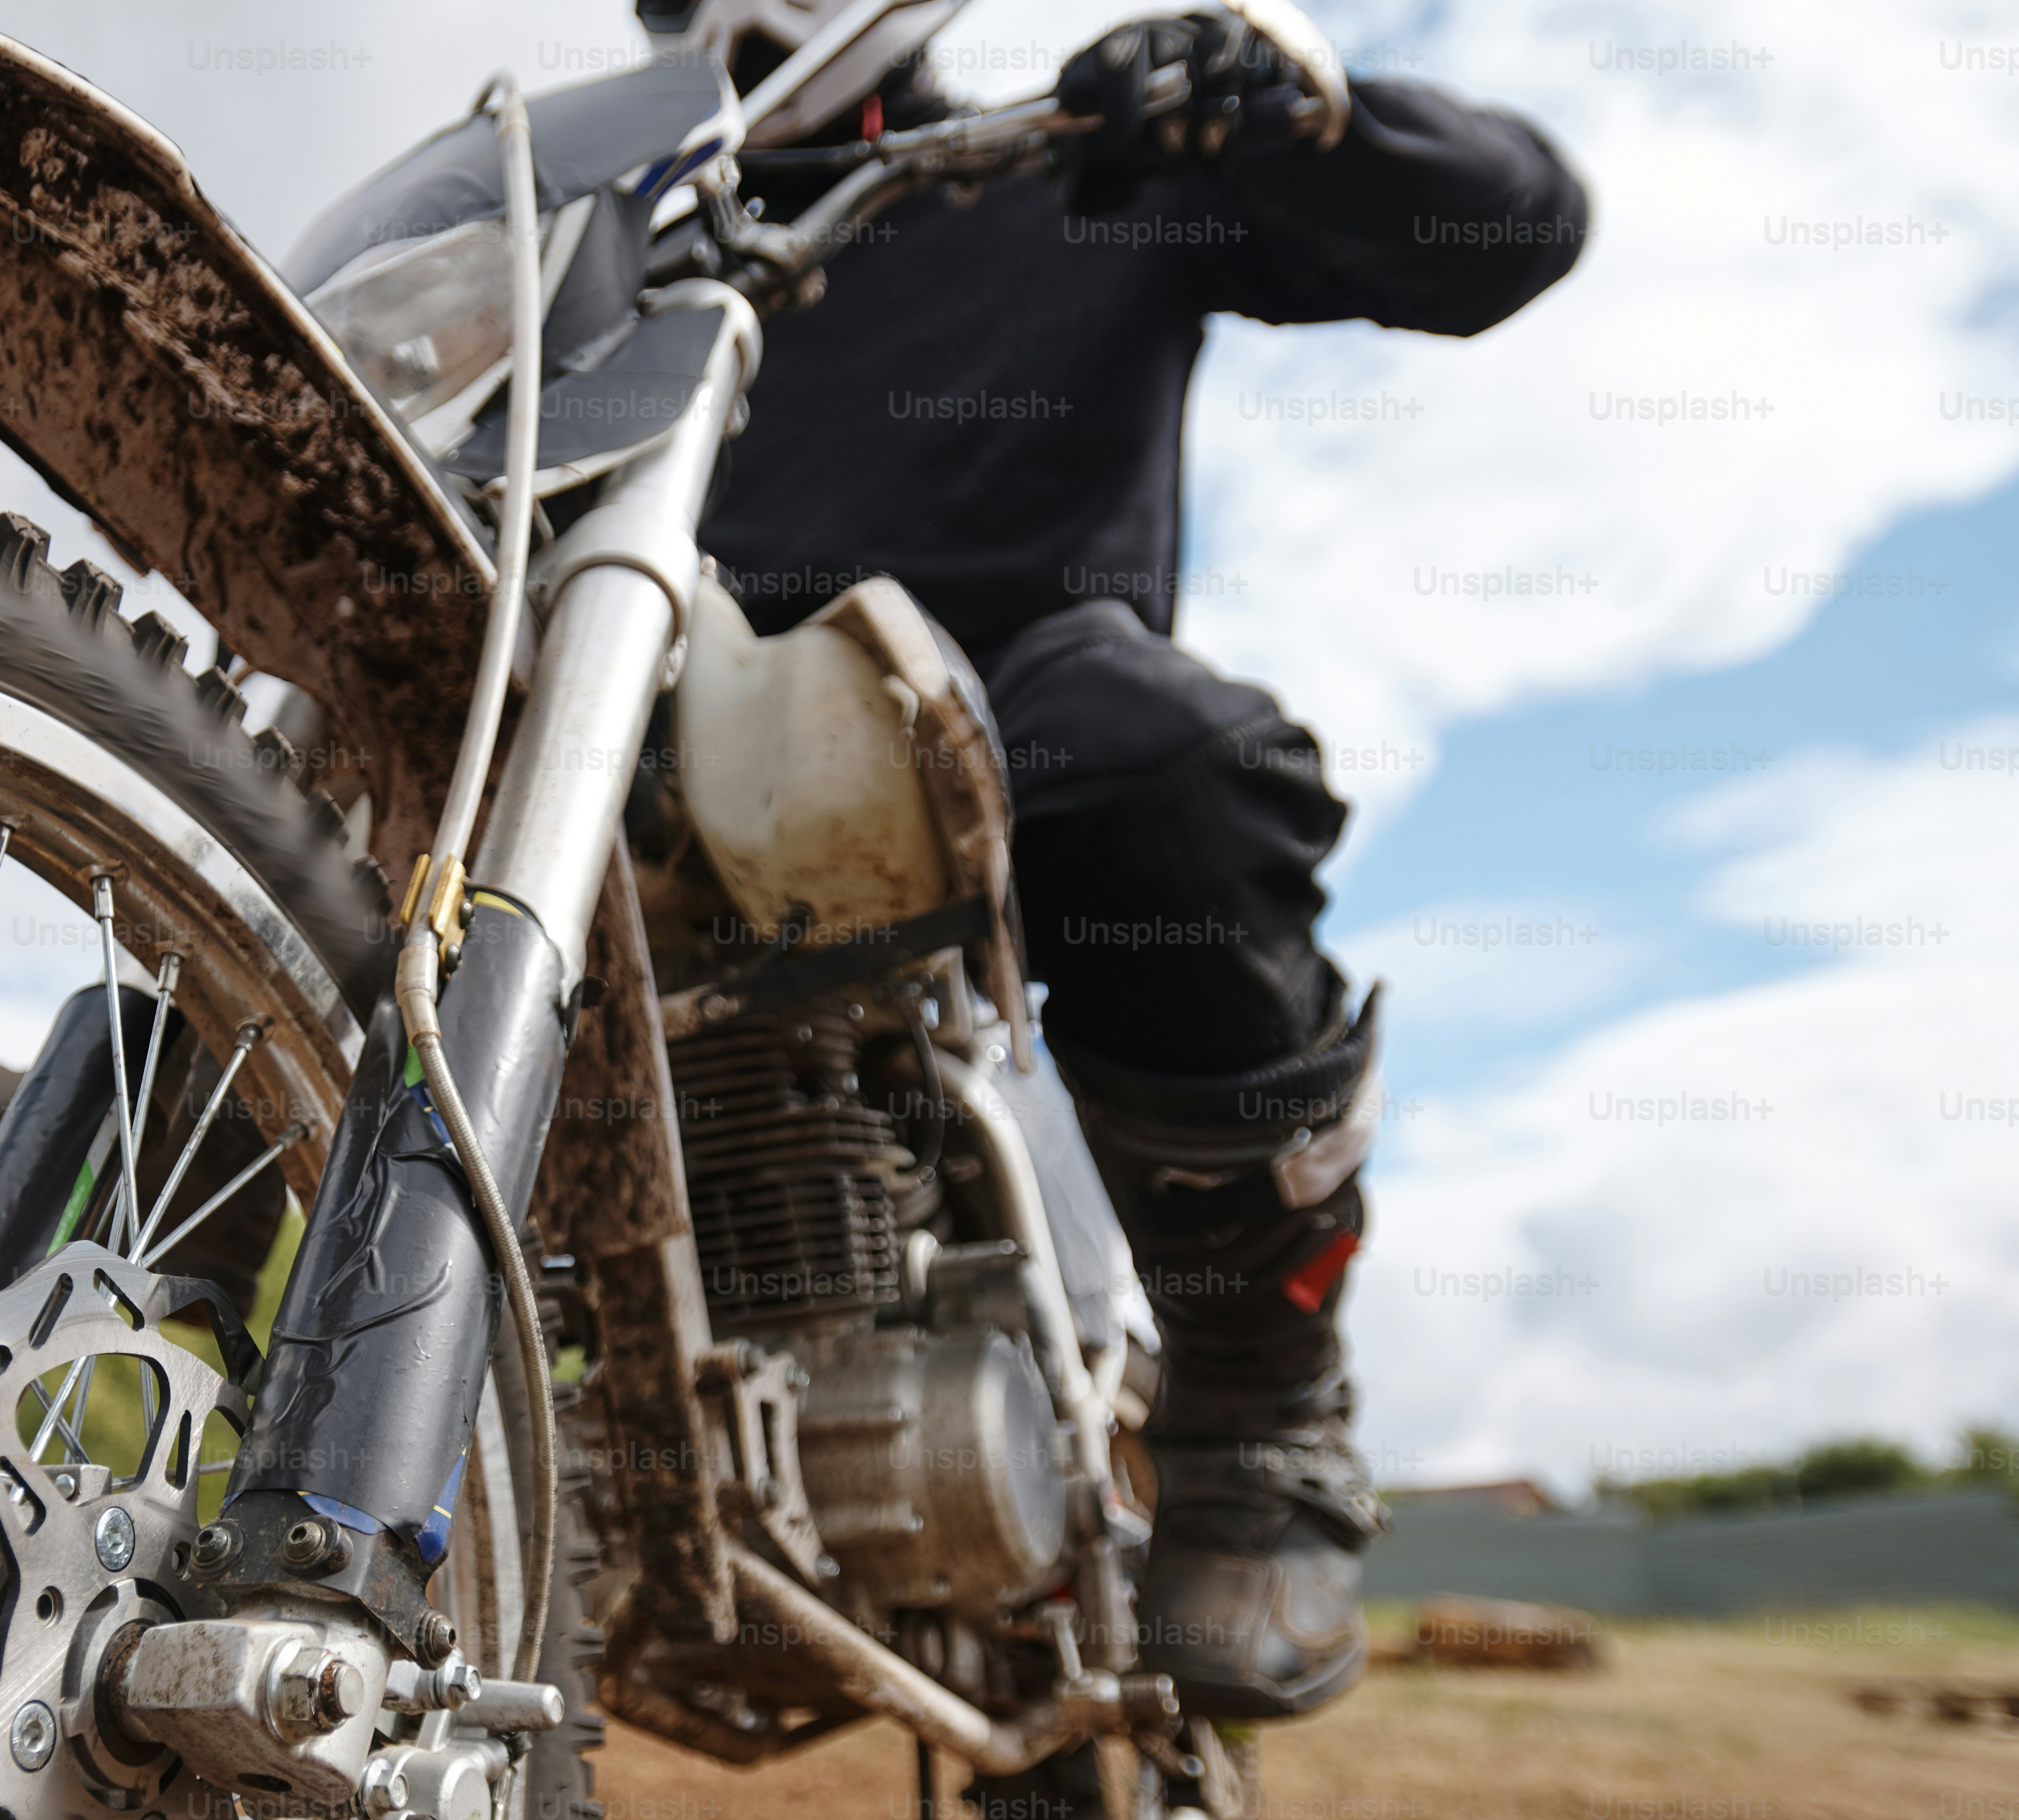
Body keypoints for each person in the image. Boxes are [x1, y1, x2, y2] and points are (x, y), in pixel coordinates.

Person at [648, 0, 1590, 1719]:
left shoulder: (1071, 158)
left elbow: (1509, 227)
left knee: (1170, 751)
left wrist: (1292, 112)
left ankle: (1258, 1410)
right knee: (326, 804)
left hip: (983, 693)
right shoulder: (599, 254)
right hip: (622, 722)